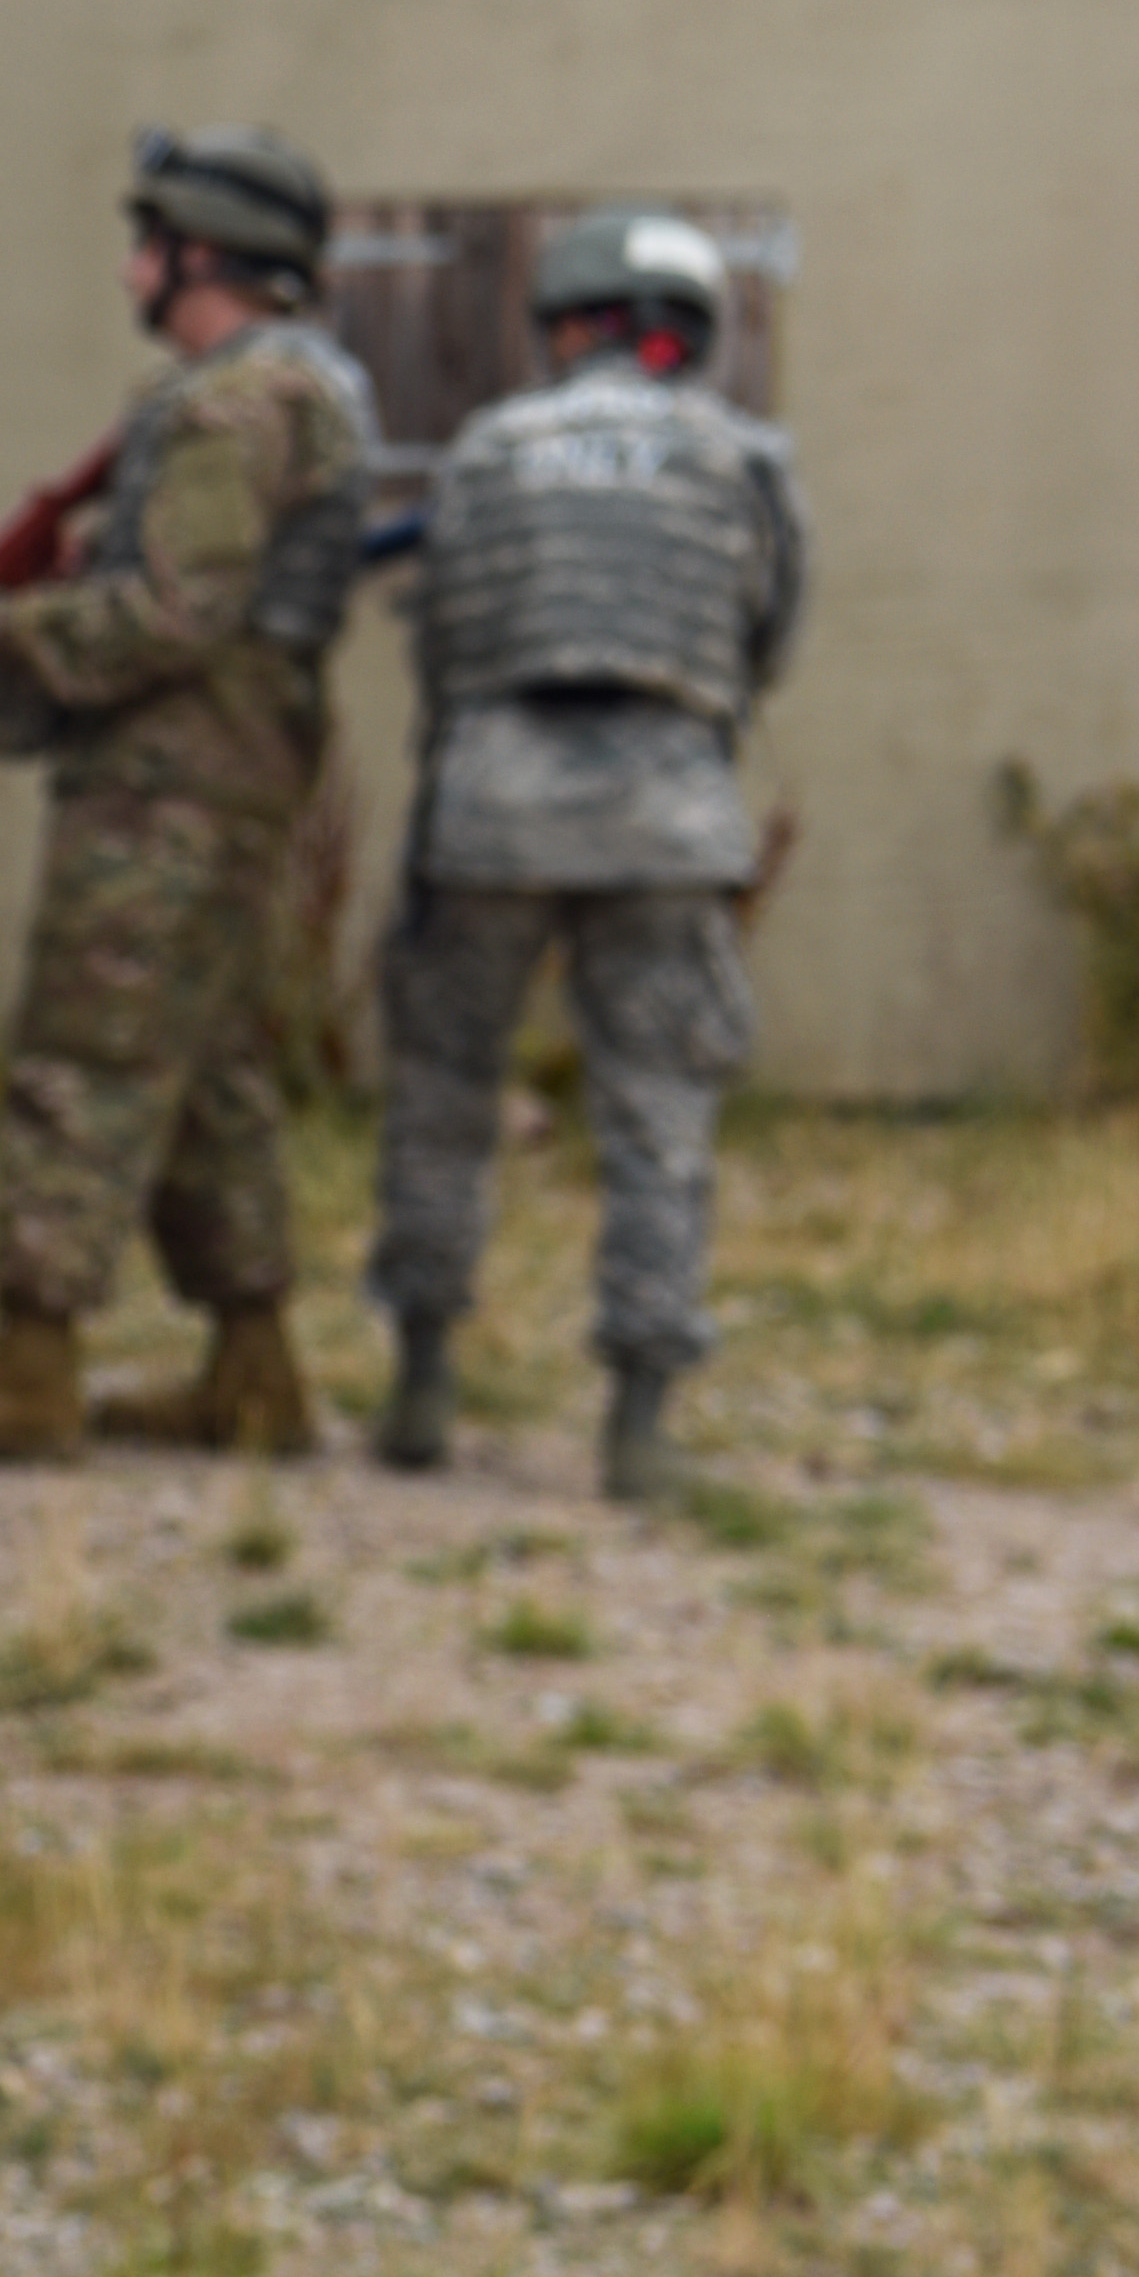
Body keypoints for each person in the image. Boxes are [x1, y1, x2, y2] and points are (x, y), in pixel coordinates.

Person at [0, 127, 376, 1466]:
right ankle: (254, 1369)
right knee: (208, 1071)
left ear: (203, 255)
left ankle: (31, 1369)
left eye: (151, 242)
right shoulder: (304, 388)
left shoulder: (226, 407)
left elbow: (172, 615)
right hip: (240, 768)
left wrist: (8, 628)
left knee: (81, 1059)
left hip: (170, 778)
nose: (133, 267)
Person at [364, 212, 805, 1503]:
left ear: (565, 323)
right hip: (668, 808)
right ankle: (640, 1420)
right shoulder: (745, 455)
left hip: (492, 803)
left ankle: (422, 1384)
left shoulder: (491, 448)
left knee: (444, 1093)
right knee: (660, 1111)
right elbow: (770, 631)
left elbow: (439, 640)